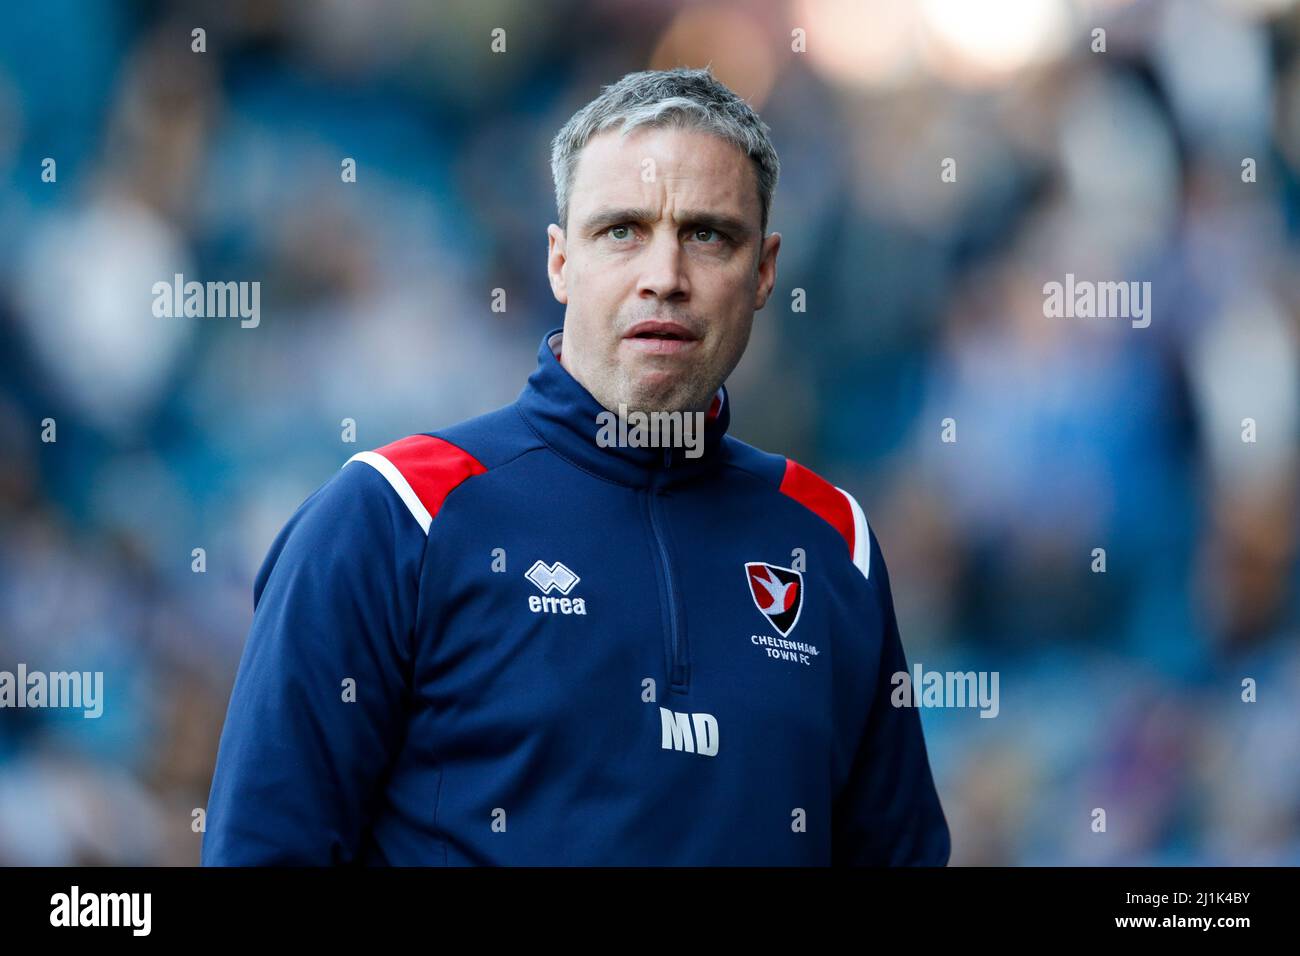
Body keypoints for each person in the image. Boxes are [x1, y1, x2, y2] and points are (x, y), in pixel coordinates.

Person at [202, 66, 950, 866]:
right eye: (621, 230)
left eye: (708, 234)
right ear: (560, 261)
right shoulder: (394, 514)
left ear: (763, 271)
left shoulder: (833, 543)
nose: (664, 276)